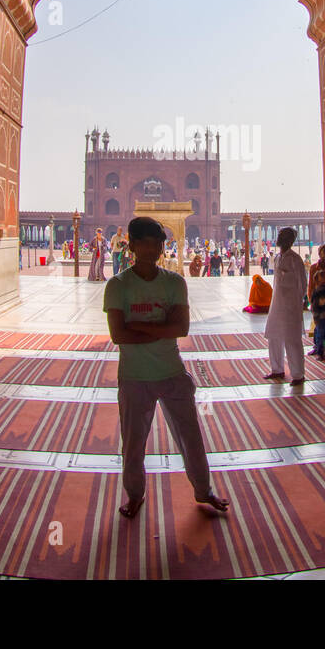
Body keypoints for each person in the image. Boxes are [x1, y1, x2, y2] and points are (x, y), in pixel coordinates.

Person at [104, 216, 229, 518]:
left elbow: (182, 328)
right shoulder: (118, 285)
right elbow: (118, 335)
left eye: (158, 242)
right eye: (146, 241)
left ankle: (203, 490)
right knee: (133, 445)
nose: (153, 248)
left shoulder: (175, 282)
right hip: (134, 378)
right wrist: (161, 326)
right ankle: (135, 495)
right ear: (131, 245)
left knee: (191, 437)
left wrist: (138, 326)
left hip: (172, 374)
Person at [262, 228, 308, 385]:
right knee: (274, 336)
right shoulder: (277, 258)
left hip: (291, 306)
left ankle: (298, 374)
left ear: (289, 240)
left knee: (292, 340)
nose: (279, 238)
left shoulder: (295, 259)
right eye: (280, 235)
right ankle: (277, 369)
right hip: (277, 304)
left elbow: (303, 283)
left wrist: (297, 302)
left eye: (283, 236)